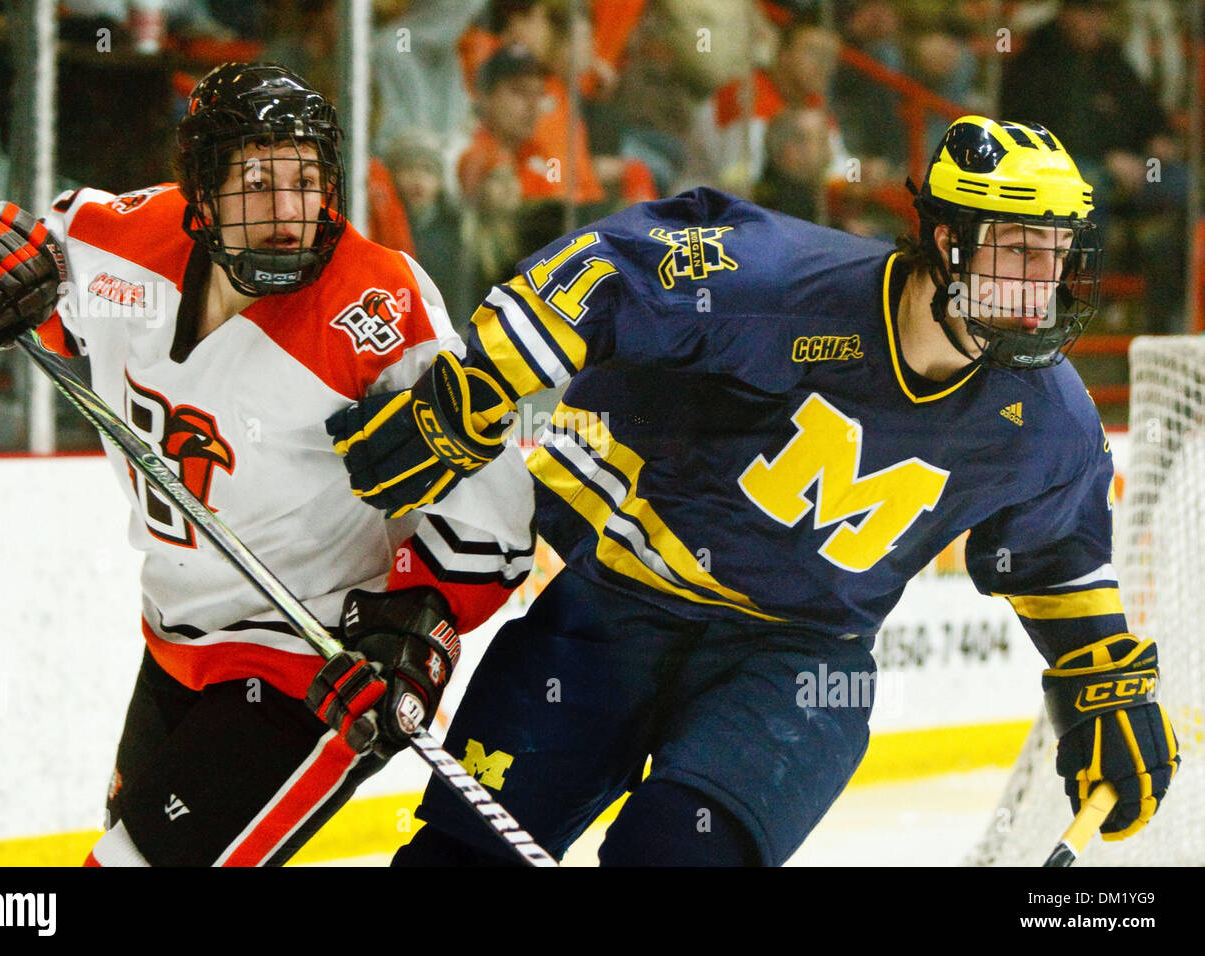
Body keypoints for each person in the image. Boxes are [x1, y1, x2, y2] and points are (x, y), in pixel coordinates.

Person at [329, 115, 1181, 866]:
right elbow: (608, 269)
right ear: (947, 242)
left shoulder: (1051, 418)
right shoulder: (786, 283)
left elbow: (1055, 554)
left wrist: (1102, 678)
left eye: (1056, 254)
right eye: (1016, 249)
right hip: (617, 610)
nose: (1040, 285)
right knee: (461, 856)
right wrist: (473, 391)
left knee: (675, 855)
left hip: (799, 663)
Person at [0, 62, 534, 866]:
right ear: (203, 195)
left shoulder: (375, 310)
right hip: (173, 640)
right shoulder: (119, 247)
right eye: (258, 182)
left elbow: (492, 507)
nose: (288, 213)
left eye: (307, 181)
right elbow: (37, 277)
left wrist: (412, 644)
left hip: (312, 668)